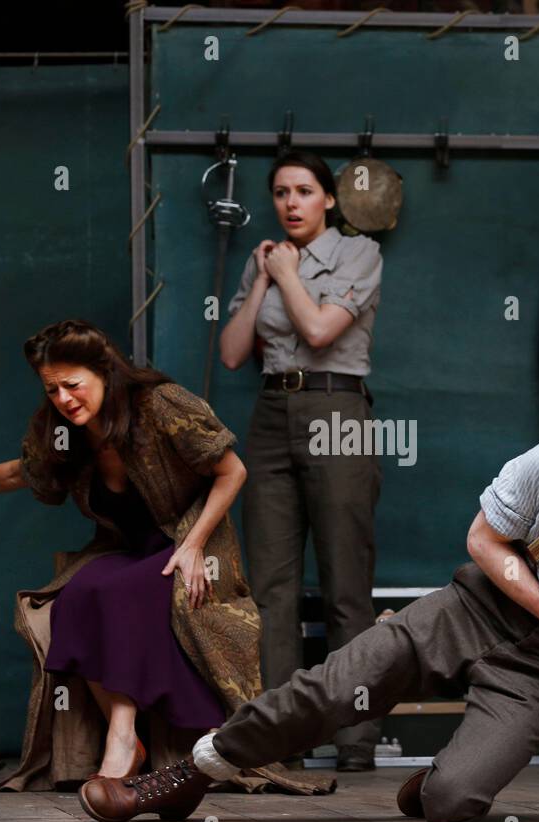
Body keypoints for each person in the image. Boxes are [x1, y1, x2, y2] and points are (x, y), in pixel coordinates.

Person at [78, 406, 539, 822]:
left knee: (453, 803)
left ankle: (444, 777)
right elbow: (481, 539)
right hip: (474, 607)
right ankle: (188, 776)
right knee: (332, 688)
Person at [0, 321, 331, 797]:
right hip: (128, 549)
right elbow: (19, 473)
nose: (64, 399)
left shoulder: (159, 404)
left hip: (190, 539)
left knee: (120, 592)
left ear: (104, 372)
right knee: (74, 597)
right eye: (53, 389)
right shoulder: (63, 429)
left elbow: (233, 471)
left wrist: (192, 546)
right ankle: (123, 736)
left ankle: (123, 740)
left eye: (73, 385)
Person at [218, 150, 386, 772]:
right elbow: (234, 352)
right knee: (271, 588)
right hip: (269, 415)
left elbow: (320, 333)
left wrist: (286, 273)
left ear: (329, 200)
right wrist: (263, 275)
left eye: (305, 191)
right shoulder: (263, 259)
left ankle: (355, 738)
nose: (291, 203)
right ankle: (278, 737)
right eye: (282, 192)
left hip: (336, 410)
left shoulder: (359, 253)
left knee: (346, 583)